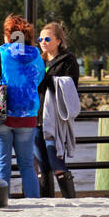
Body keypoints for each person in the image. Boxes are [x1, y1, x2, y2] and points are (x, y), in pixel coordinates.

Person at [0, 14, 45, 198]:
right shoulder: (37, 57)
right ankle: (34, 204)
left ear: (8, 35)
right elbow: (39, 79)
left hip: (1, 115)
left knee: (2, 165)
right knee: (27, 165)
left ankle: (3, 203)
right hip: (28, 116)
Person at [35, 21, 79, 198]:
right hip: (37, 116)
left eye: (47, 39)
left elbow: (70, 86)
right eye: (40, 39)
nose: (43, 42)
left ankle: (70, 201)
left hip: (55, 119)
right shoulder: (38, 60)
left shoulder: (68, 60)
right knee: (42, 165)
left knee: (56, 162)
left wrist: (47, 79)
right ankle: (46, 203)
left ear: (59, 41)